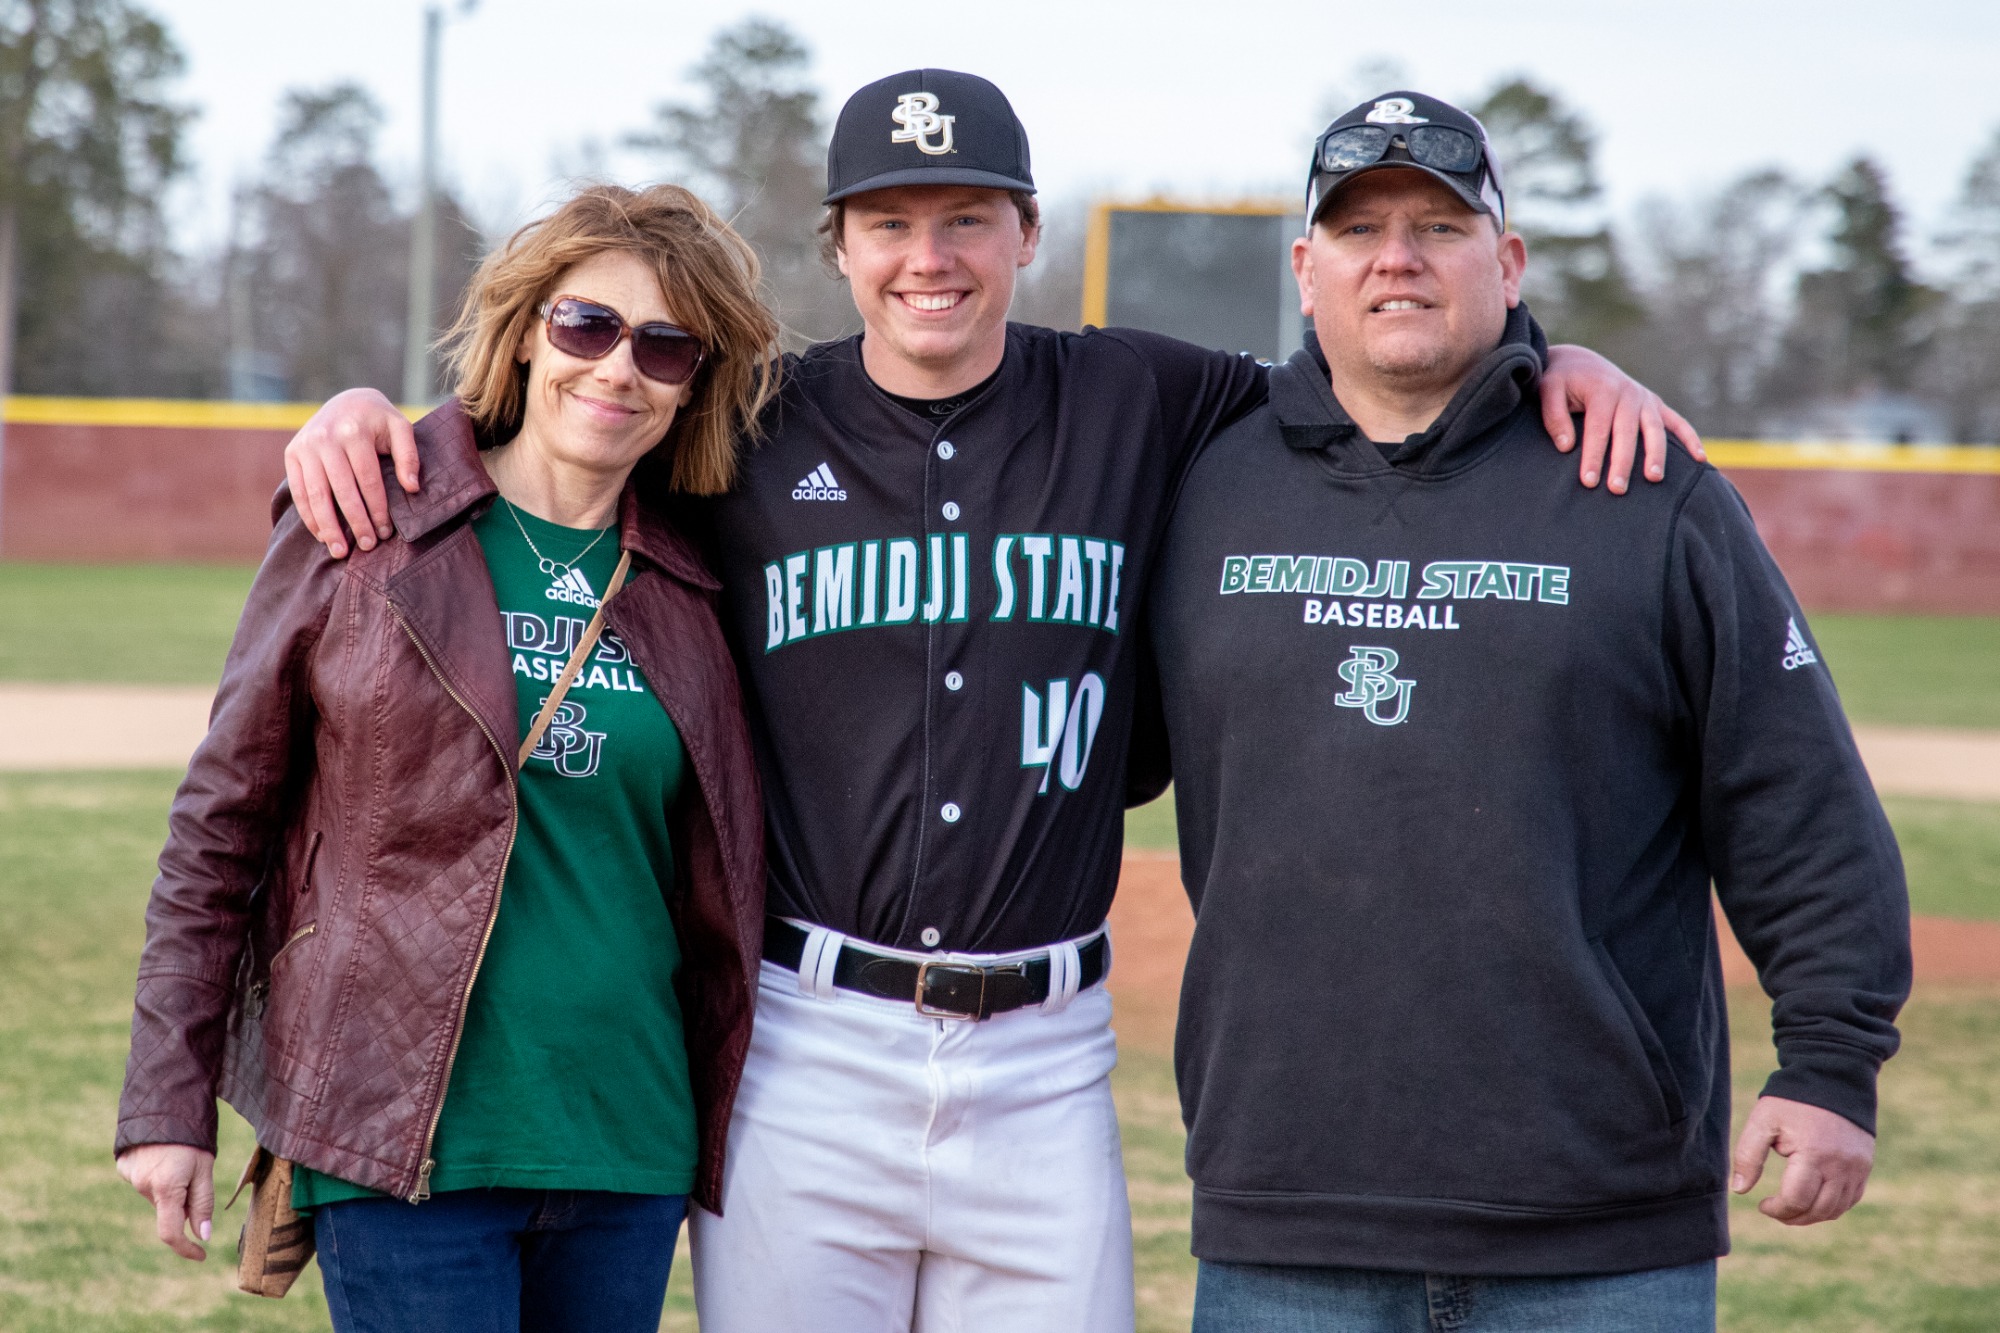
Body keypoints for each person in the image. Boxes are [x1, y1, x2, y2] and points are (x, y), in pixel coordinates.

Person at [277, 71, 1699, 1332]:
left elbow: (1387, 350)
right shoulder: (749, 423)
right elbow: (559, 435)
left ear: (1028, 231)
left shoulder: (1145, 395)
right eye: (890, 222)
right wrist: (382, 422)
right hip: (808, 1041)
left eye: (967, 217)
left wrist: (1551, 357)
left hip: (1046, 1060)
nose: (929, 258)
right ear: (837, 246)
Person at [1145, 91, 1912, 1331]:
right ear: (1303, 270)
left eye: (1438, 226)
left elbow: (1792, 791)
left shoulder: (1642, 487)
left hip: (1596, 1226)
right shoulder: (1198, 483)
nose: (1395, 256)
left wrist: (1829, 1064)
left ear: (1504, 263)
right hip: (1284, 1209)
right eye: (1356, 230)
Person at [114, 183, 773, 1333]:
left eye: (665, 346)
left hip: (625, 1141)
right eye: (586, 325)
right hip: (398, 1133)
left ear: (693, 384)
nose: (617, 368)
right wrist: (167, 1102)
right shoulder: (371, 519)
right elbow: (220, 825)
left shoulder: (700, 577)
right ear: (523, 333)